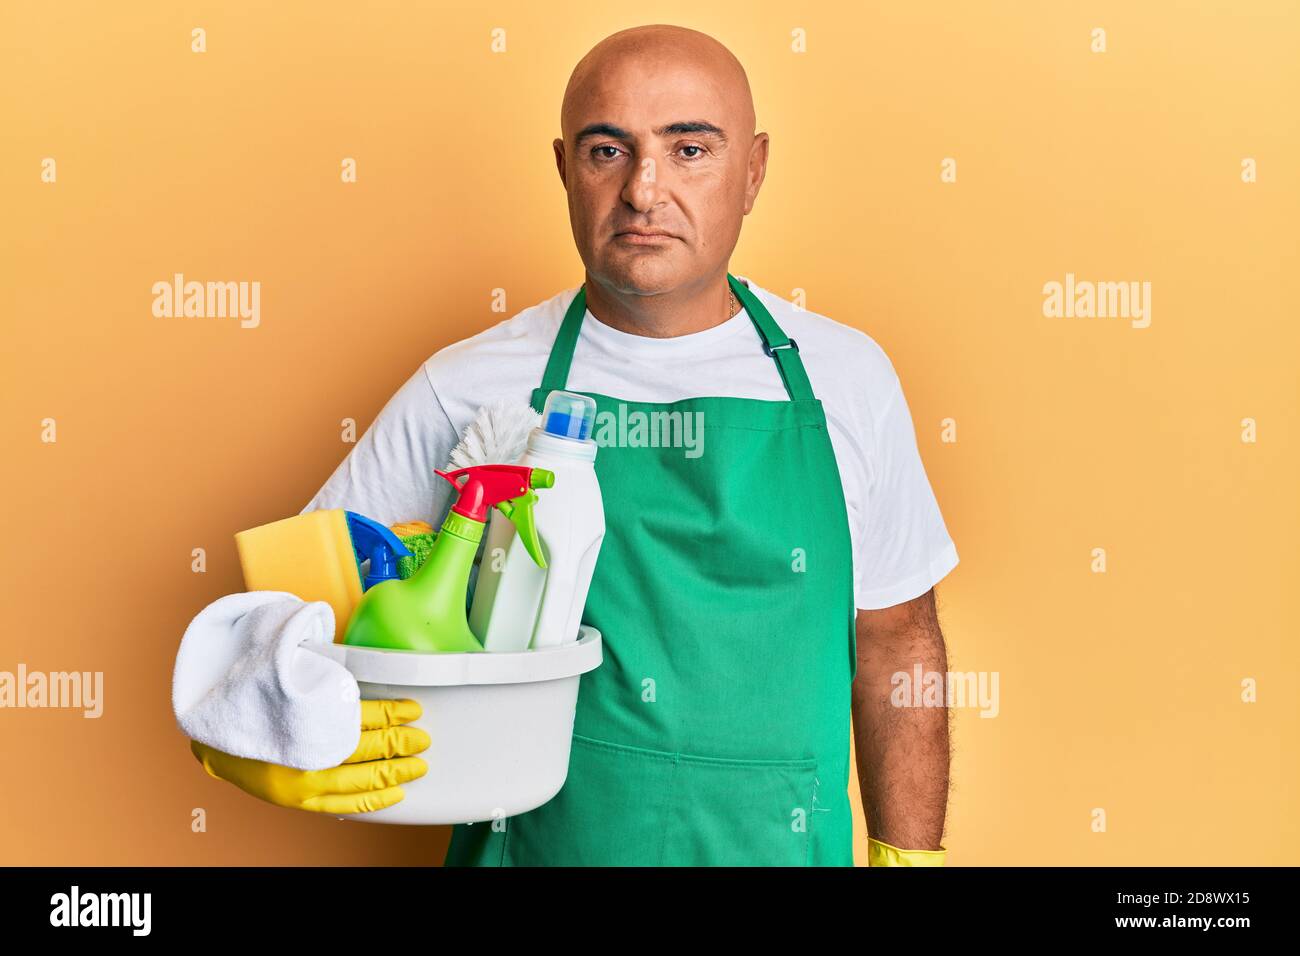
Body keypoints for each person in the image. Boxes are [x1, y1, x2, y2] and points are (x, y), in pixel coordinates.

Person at [190, 23, 958, 867]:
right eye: (607, 151)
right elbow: (288, 604)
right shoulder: (474, 385)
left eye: (691, 148)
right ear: (565, 170)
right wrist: (254, 725)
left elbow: (897, 638)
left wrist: (909, 858)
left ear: (754, 171)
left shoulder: (847, 377)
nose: (644, 190)